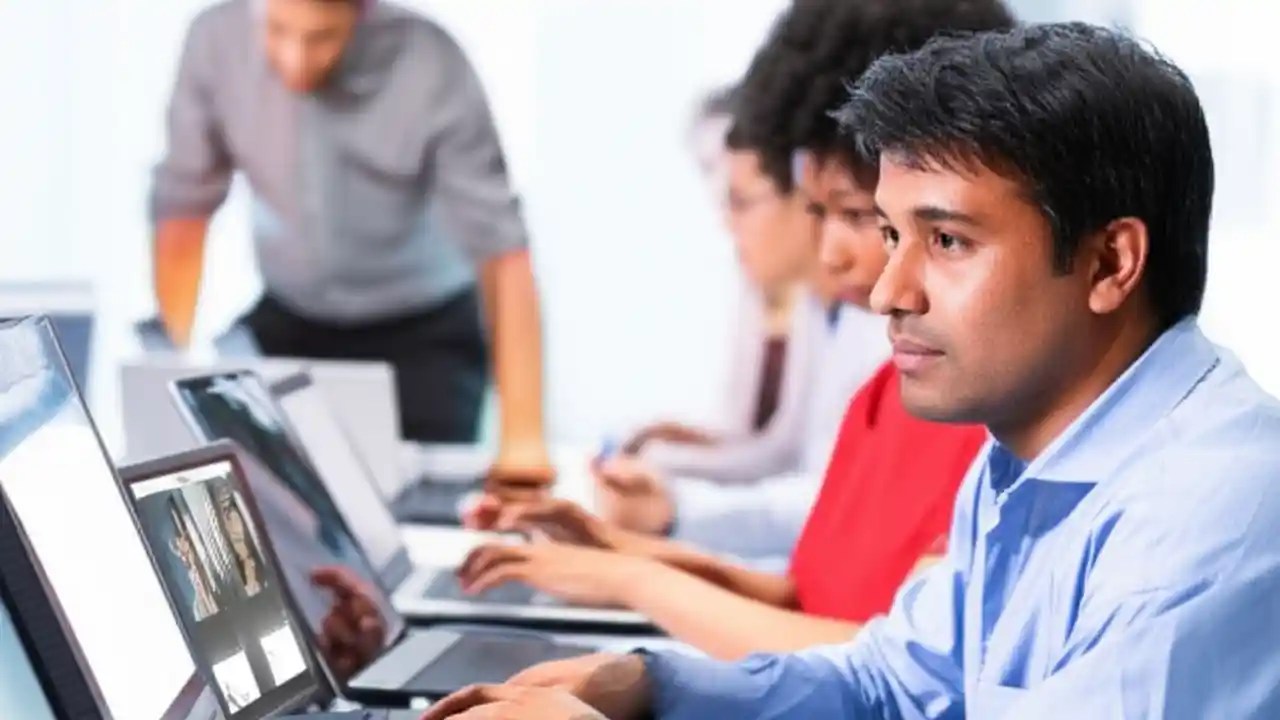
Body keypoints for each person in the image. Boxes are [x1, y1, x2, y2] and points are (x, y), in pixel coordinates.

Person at [424, 22, 1280, 719]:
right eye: (891, 236)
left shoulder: (1213, 508)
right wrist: (645, 685)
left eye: (945, 241)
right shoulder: (1019, 462)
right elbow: (893, 683)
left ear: (1109, 263)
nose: (885, 291)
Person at [454, 0, 1012, 660]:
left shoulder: (987, 415)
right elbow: (808, 592)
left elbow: (892, 666)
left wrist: (635, 577)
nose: (831, 255)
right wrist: (619, 553)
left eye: (861, 219)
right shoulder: (890, 391)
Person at [150, 0, 552, 484]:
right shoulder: (214, 42)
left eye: (321, 38)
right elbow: (184, 211)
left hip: (424, 335)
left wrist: (524, 442)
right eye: (277, 29)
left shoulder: (430, 62)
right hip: (291, 321)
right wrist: (169, 367)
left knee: (419, 513)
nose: (295, 60)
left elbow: (503, 252)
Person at [622, 84, 859, 487]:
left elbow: (805, 481)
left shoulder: (864, 317)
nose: (725, 220)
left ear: (808, 191)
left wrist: (670, 501)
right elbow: (781, 449)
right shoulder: (813, 306)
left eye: (741, 200)